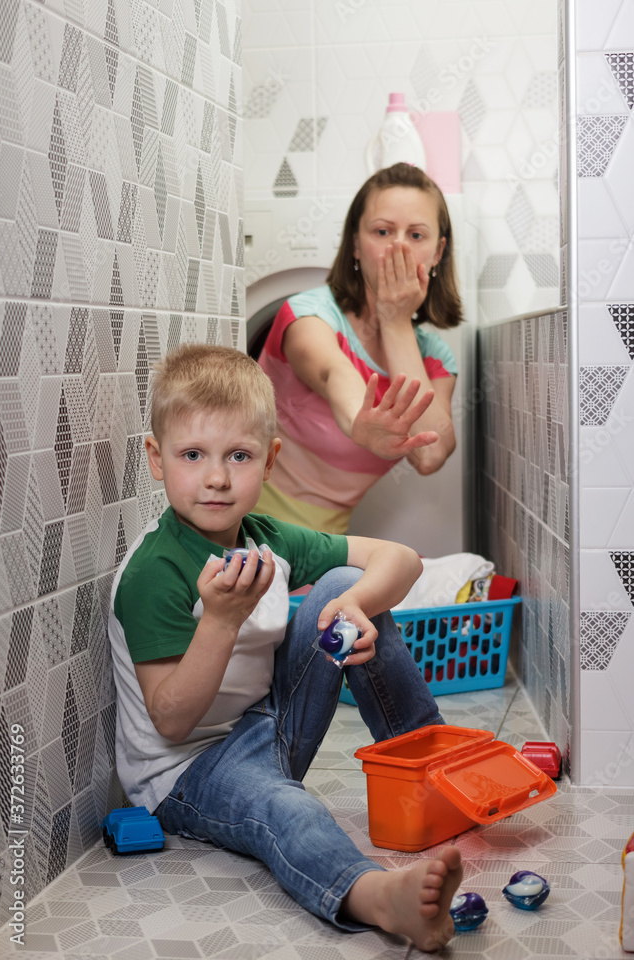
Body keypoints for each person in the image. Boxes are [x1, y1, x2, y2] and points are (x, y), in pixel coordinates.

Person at [107, 343, 462, 952]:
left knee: (348, 586)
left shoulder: (264, 537)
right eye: (192, 455)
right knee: (286, 807)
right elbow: (170, 720)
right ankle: (377, 897)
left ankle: (430, 768)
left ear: (269, 461)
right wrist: (219, 620)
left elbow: (401, 561)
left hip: (267, 726)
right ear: (156, 458)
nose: (216, 478)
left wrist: (354, 608)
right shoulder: (154, 573)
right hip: (188, 770)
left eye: (238, 456)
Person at [255, 161, 464, 534]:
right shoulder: (308, 318)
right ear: (355, 243)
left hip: (321, 546)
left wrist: (395, 321)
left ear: (437, 253)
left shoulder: (435, 359)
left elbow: (430, 455)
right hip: (244, 524)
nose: (398, 246)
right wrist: (360, 424)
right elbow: (336, 375)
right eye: (383, 231)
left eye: (416, 236)